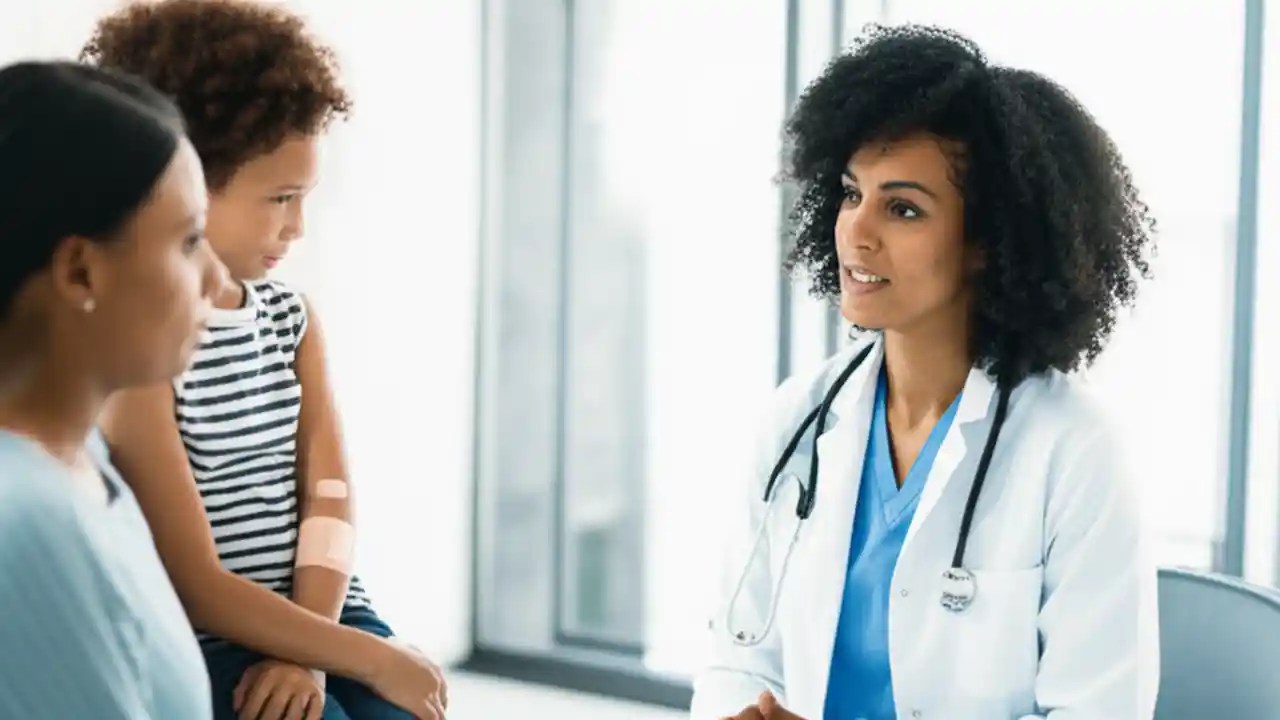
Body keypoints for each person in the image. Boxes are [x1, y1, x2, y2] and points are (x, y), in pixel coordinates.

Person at [692, 25, 1159, 720]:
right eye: (852, 194)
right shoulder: (799, 421)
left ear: (985, 242)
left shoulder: (1074, 453)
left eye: (902, 208)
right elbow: (736, 654)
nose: (856, 230)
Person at [82, 2, 447, 719]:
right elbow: (193, 581)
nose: (297, 227)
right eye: (280, 198)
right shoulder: (140, 347)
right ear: (180, 180)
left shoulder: (291, 319)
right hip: (205, 637)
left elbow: (331, 498)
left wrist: (311, 652)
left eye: (305, 198)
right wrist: (365, 659)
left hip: (322, 611)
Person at [0, 60, 221, 718]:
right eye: (188, 242)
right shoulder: (30, 520)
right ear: (79, 271)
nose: (214, 279)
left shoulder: (80, 457)